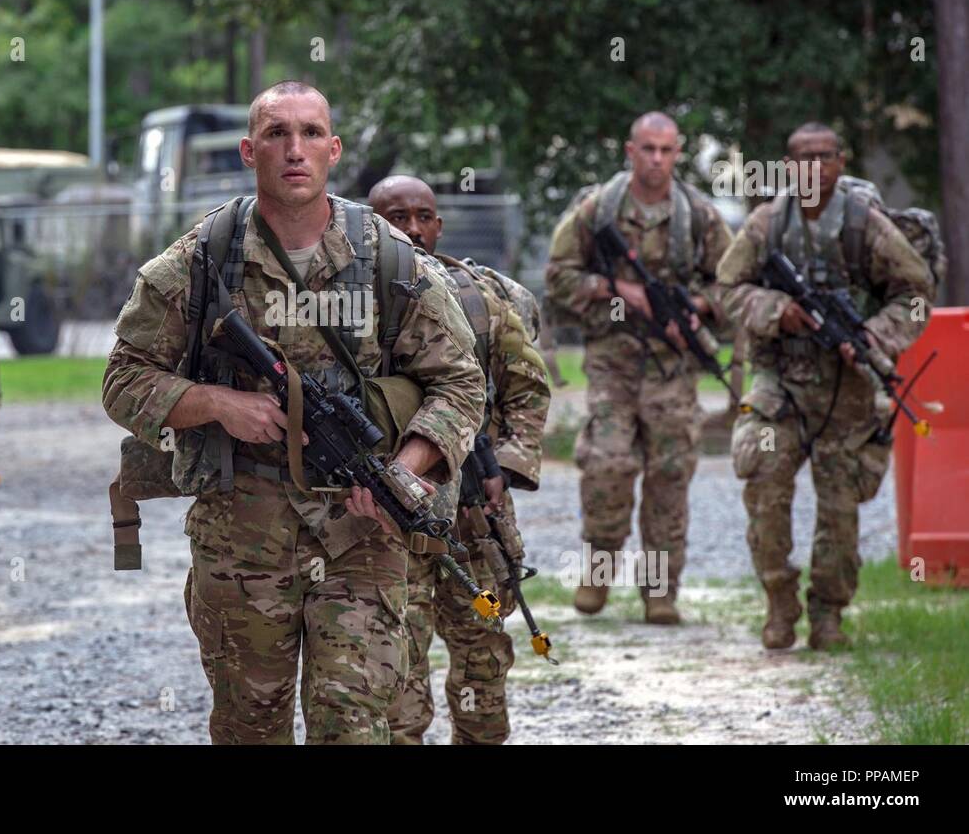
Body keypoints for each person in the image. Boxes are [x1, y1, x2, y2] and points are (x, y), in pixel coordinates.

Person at [103, 81, 486, 744]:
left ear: (333, 150)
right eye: (277, 133)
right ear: (250, 150)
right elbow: (123, 378)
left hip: (361, 535)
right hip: (242, 535)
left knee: (353, 725)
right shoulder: (204, 257)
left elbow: (460, 382)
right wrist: (217, 404)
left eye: (311, 133)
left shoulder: (389, 259)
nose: (295, 150)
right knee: (250, 725)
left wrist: (408, 467)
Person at [717, 123, 933, 649]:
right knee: (765, 488)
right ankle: (779, 602)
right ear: (789, 166)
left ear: (841, 161)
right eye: (803, 158)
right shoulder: (768, 224)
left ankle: (829, 613)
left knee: (839, 509)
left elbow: (917, 293)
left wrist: (870, 335)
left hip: (848, 389)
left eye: (825, 156)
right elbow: (727, 287)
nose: (815, 167)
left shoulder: (868, 226)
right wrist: (777, 310)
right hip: (780, 384)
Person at [371, 175, 550, 745]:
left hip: (475, 514)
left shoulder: (481, 297)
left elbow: (528, 388)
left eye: (423, 216)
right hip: (392, 519)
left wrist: (511, 466)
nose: (412, 229)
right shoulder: (349, 305)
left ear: (439, 225)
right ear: (368, 226)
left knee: (484, 659)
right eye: (397, 217)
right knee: (397, 667)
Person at [545, 112, 733, 623]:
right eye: (647, 149)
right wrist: (617, 291)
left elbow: (734, 281)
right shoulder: (598, 209)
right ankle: (599, 570)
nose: (656, 159)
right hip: (612, 363)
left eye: (666, 150)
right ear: (631, 151)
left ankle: (660, 592)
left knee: (670, 477)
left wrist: (694, 309)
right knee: (606, 463)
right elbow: (558, 274)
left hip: (672, 368)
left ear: (678, 153)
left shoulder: (697, 215)